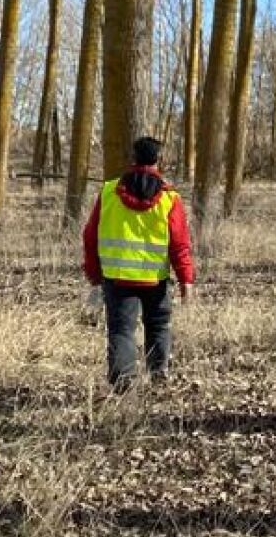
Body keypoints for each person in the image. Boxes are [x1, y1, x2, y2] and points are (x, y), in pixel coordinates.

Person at [83, 136, 195, 389]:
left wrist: (94, 274)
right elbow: (179, 243)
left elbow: (90, 235)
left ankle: (123, 384)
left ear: (132, 159)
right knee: (158, 325)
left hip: (117, 278)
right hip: (155, 279)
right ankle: (158, 376)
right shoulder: (170, 198)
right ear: (159, 160)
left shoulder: (109, 191)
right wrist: (186, 279)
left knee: (121, 330)